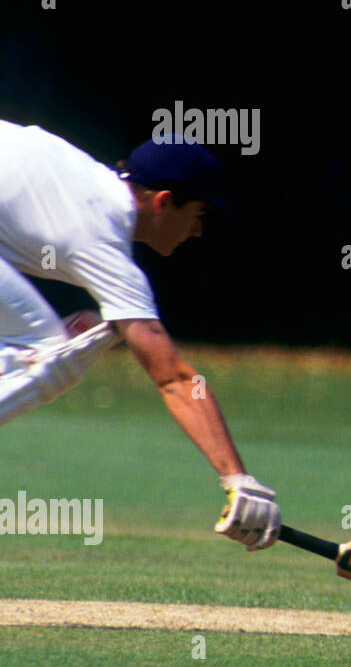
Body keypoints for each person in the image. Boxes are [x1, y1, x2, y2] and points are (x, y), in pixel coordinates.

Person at [0, 119, 279, 550]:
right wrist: (237, 479)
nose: (199, 230)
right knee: (48, 355)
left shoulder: (87, 185)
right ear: (164, 201)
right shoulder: (100, 234)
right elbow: (173, 377)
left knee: (36, 347)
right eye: (198, 214)